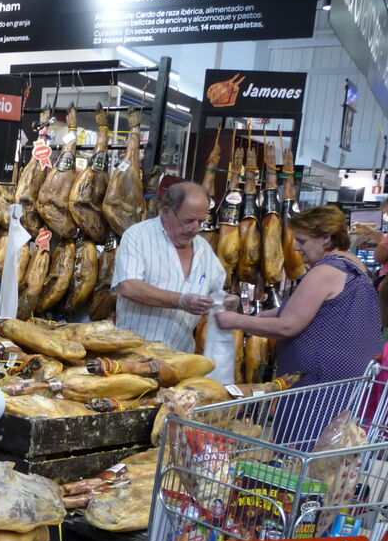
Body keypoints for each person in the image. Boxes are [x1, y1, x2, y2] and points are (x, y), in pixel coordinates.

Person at [215, 205, 381, 445]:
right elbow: (321, 309)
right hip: (350, 382)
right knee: (335, 455)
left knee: (303, 453)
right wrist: (265, 316)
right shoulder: (356, 266)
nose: (295, 247)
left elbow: (288, 326)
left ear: (326, 239)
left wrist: (234, 321)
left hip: (318, 387)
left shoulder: (326, 270)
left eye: (302, 240)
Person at [112, 182, 228, 352]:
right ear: (166, 212)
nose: (195, 228)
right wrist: (180, 300)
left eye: (200, 221)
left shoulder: (204, 248)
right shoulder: (138, 235)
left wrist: (224, 302)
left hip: (179, 359)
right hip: (133, 355)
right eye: (188, 220)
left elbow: (215, 293)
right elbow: (129, 286)